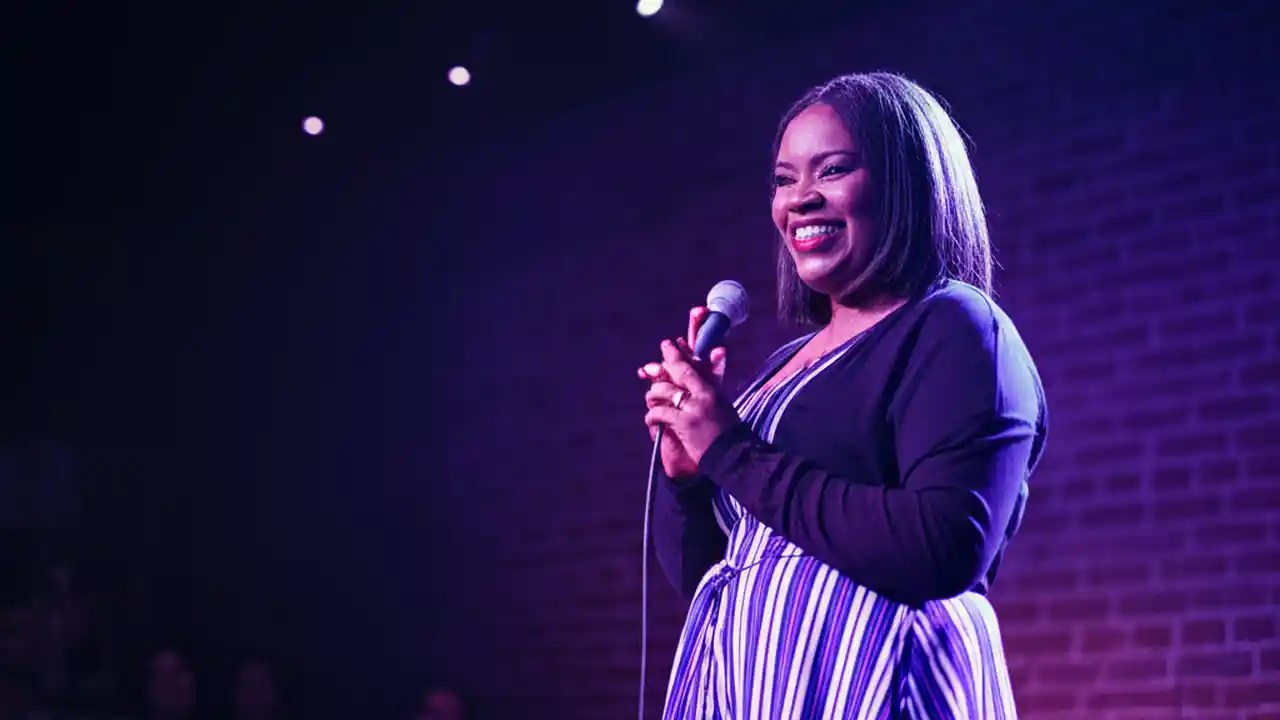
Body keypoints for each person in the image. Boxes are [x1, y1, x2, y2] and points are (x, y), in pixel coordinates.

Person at [638, 72, 1048, 719]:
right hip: (758, 681)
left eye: (831, 171)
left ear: (906, 184)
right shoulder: (783, 365)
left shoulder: (956, 328)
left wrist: (732, 449)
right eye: (783, 179)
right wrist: (690, 476)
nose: (799, 199)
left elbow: (943, 547)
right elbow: (713, 576)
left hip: (875, 678)